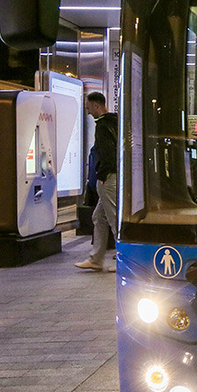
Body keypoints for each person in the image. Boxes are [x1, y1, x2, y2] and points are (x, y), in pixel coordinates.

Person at [76, 92, 119, 270]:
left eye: (88, 108)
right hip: (112, 177)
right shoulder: (115, 121)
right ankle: (96, 260)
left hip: (108, 179)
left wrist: (101, 176)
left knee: (114, 219)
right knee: (99, 217)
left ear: (96, 105)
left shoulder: (102, 126)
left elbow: (107, 153)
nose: (88, 112)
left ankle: (125, 259)